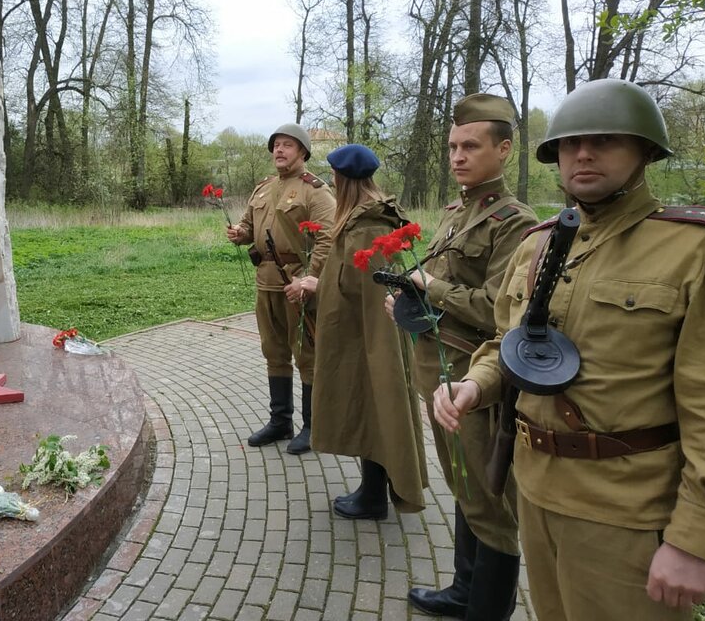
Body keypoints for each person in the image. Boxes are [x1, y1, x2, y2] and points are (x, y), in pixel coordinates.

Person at [432, 78, 705, 620]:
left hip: (625, 512)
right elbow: (508, 343)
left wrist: (694, 538)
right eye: (570, 143)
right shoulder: (537, 245)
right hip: (535, 493)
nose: (583, 153)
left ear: (645, 151)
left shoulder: (697, 252)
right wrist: (476, 383)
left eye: (605, 139)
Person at [388, 94, 537, 620]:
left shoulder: (514, 223)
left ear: (503, 148)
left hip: (474, 377)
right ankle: (462, 589)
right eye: (452, 145)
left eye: (470, 145)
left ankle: (487, 608)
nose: (457, 156)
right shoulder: (458, 211)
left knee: (489, 504)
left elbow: (500, 314)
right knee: (462, 483)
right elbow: (446, 285)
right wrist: (409, 298)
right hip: (439, 370)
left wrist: (428, 287)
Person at [293, 144, 428, 519]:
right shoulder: (356, 219)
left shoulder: (368, 227)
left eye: (335, 177)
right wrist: (319, 286)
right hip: (359, 336)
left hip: (372, 341)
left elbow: (373, 295)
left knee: (377, 408)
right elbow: (349, 281)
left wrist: (376, 352)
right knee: (368, 410)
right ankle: (371, 491)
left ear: (344, 180)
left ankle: (374, 498)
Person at [227, 123, 335, 454]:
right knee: (273, 352)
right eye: (276, 145)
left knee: (306, 354)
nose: (279, 150)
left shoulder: (315, 190)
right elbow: (249, 224)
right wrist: (241, 233)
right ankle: (280, 421)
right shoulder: (263, 189)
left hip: (297, 284)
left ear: (303, 151)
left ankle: (314, 427)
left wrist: (309, 278)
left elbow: (328, 238)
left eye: (287, 145)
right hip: (266, 282)